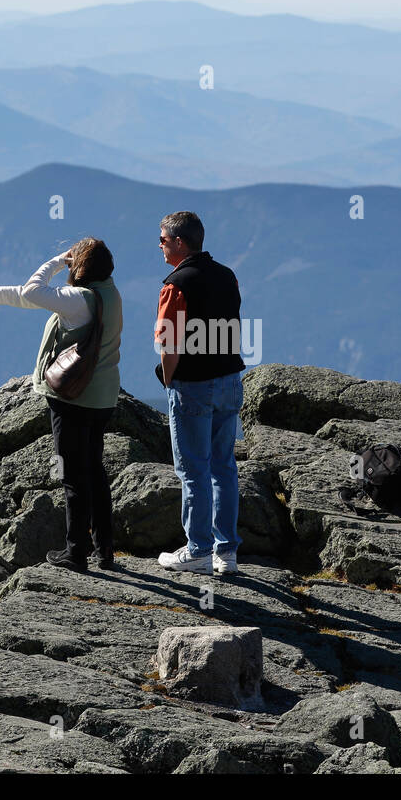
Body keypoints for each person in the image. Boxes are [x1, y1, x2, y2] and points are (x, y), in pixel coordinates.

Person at [0, 238, 123, 572]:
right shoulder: (108, 293)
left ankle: (75, 553)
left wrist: (56, 261)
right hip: (103, 397)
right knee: (94, 470)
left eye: (73, 260)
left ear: (79, 265)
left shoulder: (79, 299)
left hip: (74, 398)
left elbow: (35, 290)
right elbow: (37, 298)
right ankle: (104, 550)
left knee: (72, 476)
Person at [153, 211, 246, 575]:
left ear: (179, 242)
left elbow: (168, 342)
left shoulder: (175, 285)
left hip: (194, 384)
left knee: (193, 468)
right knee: (224, 466)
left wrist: (169, 380)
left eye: (162, 239)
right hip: (230, 378)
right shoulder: (227, 275)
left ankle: (198, 550)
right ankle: (227, 552)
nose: (159, 245)